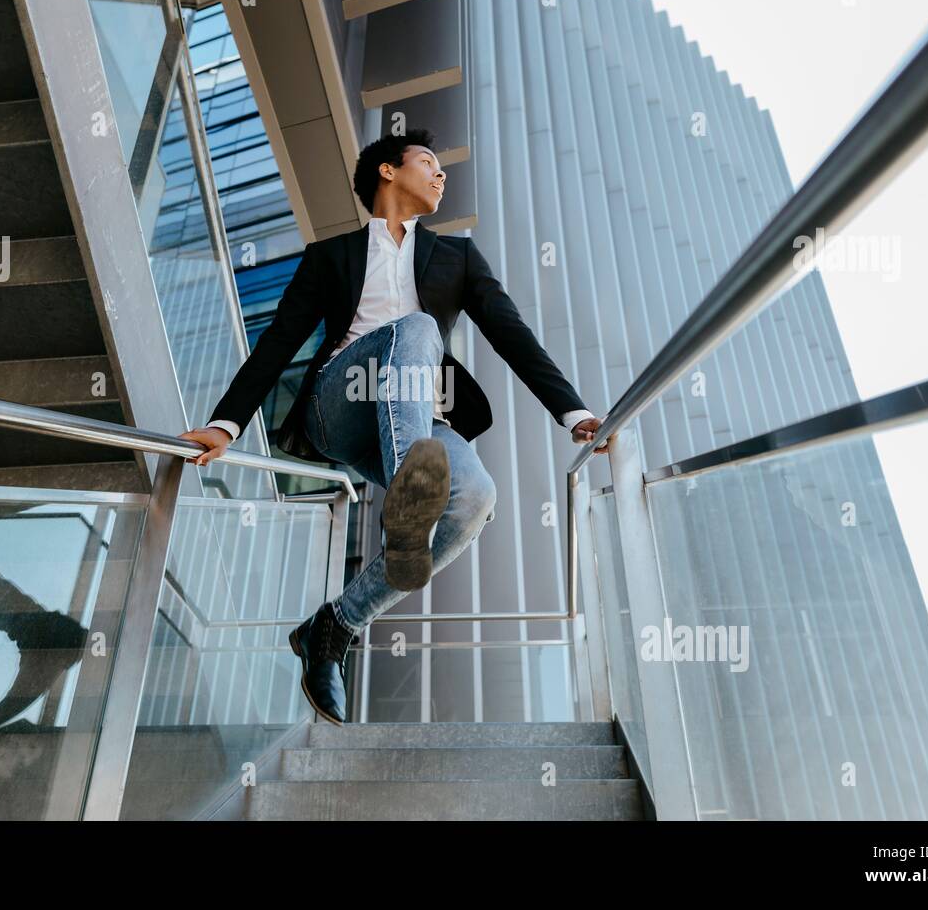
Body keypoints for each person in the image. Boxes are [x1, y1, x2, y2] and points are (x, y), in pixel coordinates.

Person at [178, 129, 608, 725]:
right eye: (429, 162)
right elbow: (279, 342)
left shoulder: (456, 256)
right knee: (419, 328)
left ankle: (334, 627)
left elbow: (510, 333)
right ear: (387, 170)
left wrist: (575, 412)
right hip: (342, 404)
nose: (441, 175)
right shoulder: (332, 256)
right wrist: (225, 424)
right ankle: (411, 489)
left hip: (417, 411)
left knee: (476, 497)